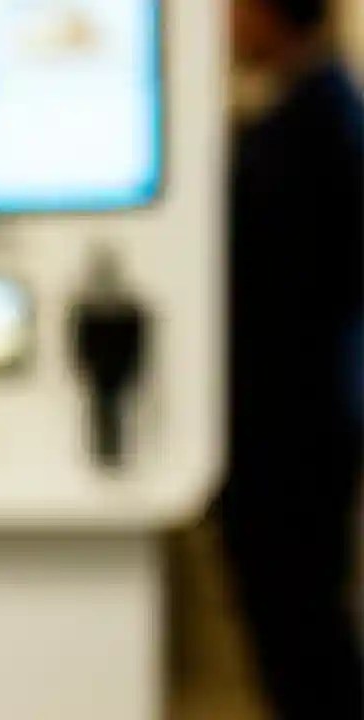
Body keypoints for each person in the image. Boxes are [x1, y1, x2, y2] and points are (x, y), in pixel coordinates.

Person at [221, 0, 364, 717]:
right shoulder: (314, 113)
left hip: (290, 431)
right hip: (298, 425)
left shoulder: (309, 128)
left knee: (302, 633)